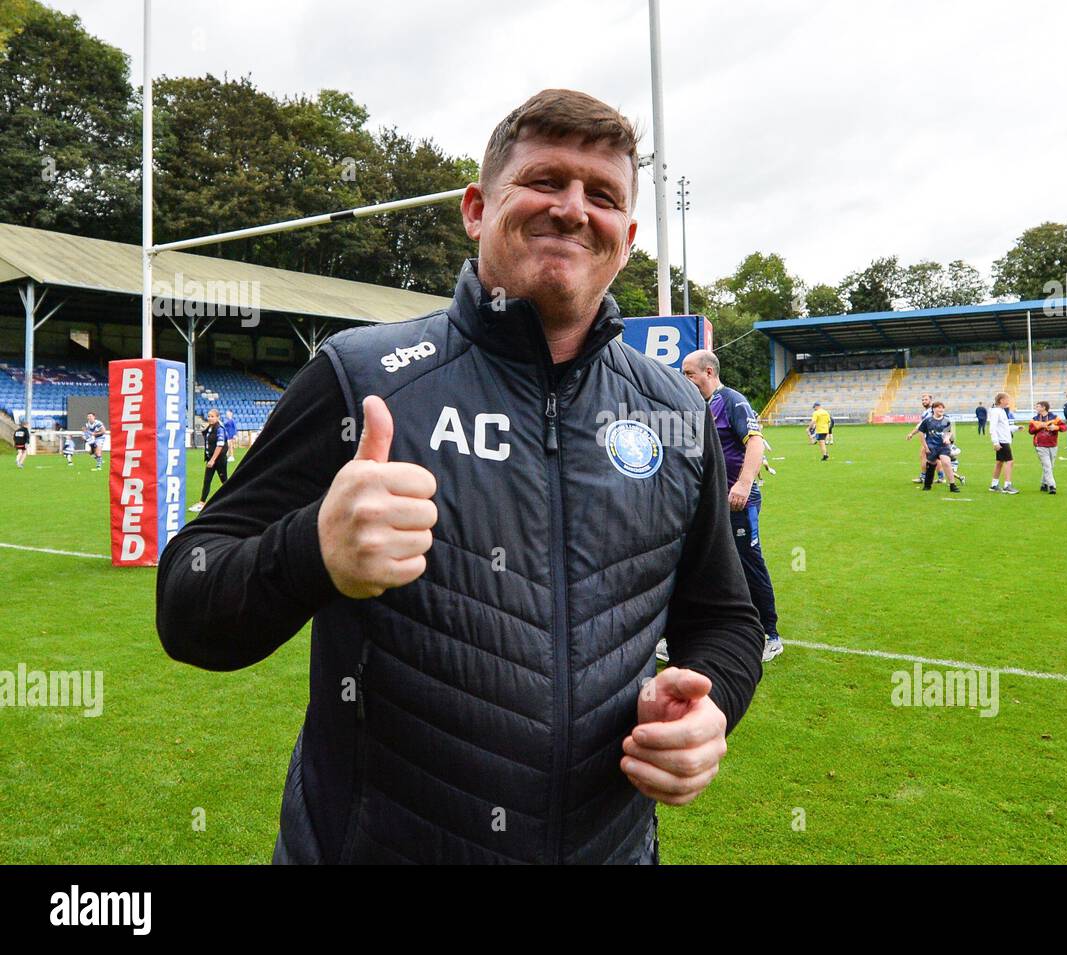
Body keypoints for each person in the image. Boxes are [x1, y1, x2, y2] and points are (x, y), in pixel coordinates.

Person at [156, 89, 763, 866]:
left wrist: (711, 704)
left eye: (603, 195)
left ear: (628, 235)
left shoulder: (674, 409)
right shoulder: (362, 377)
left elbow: (726, 617)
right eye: (545, 181)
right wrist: (312, 550)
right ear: (477, 208)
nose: (574, 210)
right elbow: (188, 599)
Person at [683, 349, 782, 662]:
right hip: (708, 500)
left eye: (689, 374)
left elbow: (754, 442)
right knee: (699, 561)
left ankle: (770, 634)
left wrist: (743, 483)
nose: (685, 379)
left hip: (738, 500)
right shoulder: (697, 405)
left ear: (709, 372)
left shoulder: (732, 400)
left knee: (747, 561)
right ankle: (695, 630)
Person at [915, 400, 960, 493]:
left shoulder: (946, 421)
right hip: (931, 446)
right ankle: (927, 485)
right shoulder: (927, 421)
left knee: (946, 462)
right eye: (939, 407)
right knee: (931, 465)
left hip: (943, 447)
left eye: (942, 407)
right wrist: (926, 447)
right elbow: (921, 433)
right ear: (933, 409)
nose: (941, 409)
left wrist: (947, 438)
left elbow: (948, 432)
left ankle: (952, 485)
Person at [190, 409, 228, 512]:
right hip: (211, 459)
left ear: (217, 417)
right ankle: (202, 502)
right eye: (209, 416)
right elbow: (205, 434)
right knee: (207, 480)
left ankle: (232, 498)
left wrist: (212, 460)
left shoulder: (220, 429)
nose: (210, 418)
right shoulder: (210, 427)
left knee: (224, 480)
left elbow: (220, 445)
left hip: (219, 460)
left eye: (212, 416)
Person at [1027, 400, 1065, 494]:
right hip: (1040, 445)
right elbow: (1030, 431)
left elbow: (1064, 427)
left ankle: (1044, 484)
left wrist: (1056, 427)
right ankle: (1052, 486)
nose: (1036, 408)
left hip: (1053, 444)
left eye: (1038, 406)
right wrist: (1039, 426)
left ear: (1044, 407)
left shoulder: (1055, 418)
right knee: (1047, 466)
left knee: (1050, 466)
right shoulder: (1035, 419)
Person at [987, 392, 1020, 494]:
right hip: (1002, 441)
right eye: (1007, 399)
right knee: (1009, 462)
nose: (1008, 401)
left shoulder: (1001, 411)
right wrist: (995, 442)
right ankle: (1007, 485)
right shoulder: (996, 412)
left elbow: (1004, 427)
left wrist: (1016, 428)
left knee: (999, 462)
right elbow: (992, 428)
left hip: (1003, 440)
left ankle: (994, 484)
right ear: (1001, 400)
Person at [906, 394, 934, 483]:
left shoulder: (931, 411)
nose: (924, 401)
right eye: (922, 400)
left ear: (930, 400)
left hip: (931, 438)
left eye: (926, 400)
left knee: (923, 456)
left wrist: (911, 434)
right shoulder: (926, 412)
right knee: (936, 458)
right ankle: (941, 477)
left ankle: (923, 477)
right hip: (933, 437)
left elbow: (921, 426)